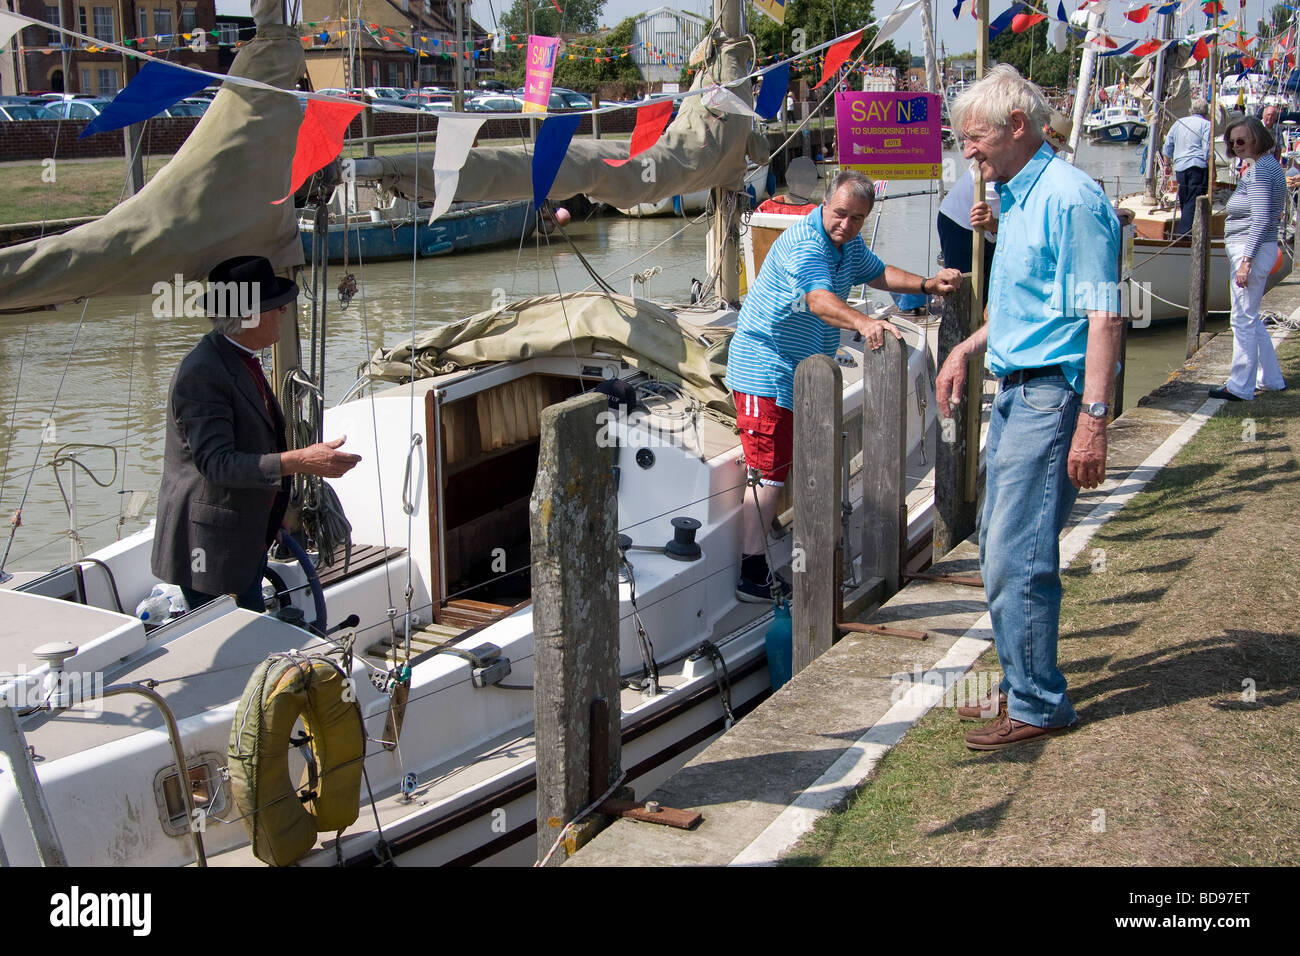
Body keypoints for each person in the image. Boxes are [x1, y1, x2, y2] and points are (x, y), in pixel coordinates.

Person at [937, 65, 1122, 750]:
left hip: (1051, 396)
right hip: (1017, 389)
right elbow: (1027, 309)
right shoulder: (1020, 196)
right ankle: (1020, 684)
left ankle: (1040, 704)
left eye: (975, 138)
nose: (969, 154)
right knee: (997, 542)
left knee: (1020, 551)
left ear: (1018, 126)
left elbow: (1104, 317)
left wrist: (1093, 421)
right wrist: (967, 348)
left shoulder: (1071, 200)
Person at [725, 169, 962, 601]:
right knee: (768, 473)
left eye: (856, 218)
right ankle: (751, 573)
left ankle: (776, 540)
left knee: (783, 464)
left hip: (804, 371)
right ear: (824, 203)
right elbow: (817, 300)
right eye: (839, 214)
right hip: (765, 368)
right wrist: (864, 322)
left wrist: (927, 283)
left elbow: (878, 273)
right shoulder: (807, 243)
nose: (846, 225)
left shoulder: (847, 245)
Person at [151, 255, 362, 612]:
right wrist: (301, 461)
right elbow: (216, 463)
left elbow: (250, 443)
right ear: (252, 315)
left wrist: (270, 517)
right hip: (212, 554)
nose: (283, 312)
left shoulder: (236, 359)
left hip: (243, 538)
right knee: (244, 650)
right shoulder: (202, 374)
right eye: (276, 306)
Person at [1210, 116, 1288, 401]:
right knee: (1251, 318)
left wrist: (1246, 261)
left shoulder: (1259, 172)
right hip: (1256, 248)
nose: (1236, 146)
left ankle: (1240, 385)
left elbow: (1261, 218)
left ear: (1257, 138)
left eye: (1241, 140)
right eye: (1232, 142)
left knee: (1241, 319)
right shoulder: (1267, 166)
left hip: (1251, 249)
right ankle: (1271, 379)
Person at [1160, 98, 1212, 236]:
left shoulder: (1178, 123)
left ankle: (1187, 231)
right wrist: (1212, 170)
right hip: (1197, 166)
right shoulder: (1206, 125)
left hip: (1181, 167)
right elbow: (1207, 149)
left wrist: (1166, 164)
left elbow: (1168, 145)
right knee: (1194, 200)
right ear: (1206, 112)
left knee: (1185, 199)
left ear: (1191, 110)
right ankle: (1183, 234)